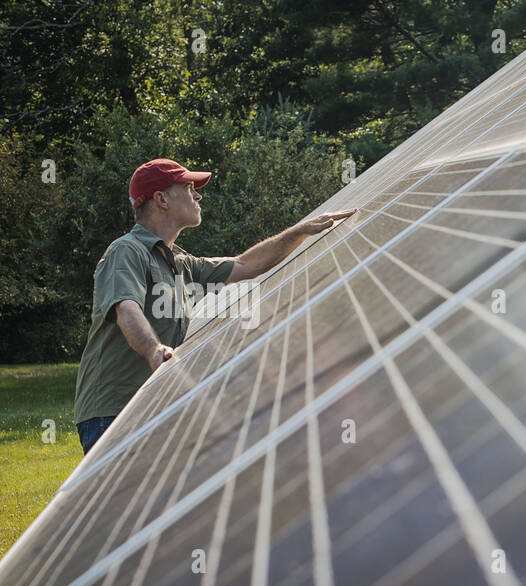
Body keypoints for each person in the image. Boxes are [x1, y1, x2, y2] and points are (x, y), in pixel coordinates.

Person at [72, 157, 356, 454]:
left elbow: (246, 264)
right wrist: (155, 351)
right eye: (189, 187)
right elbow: (126, 309)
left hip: (149, 407)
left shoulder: (182, 263)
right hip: (112, 413)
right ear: (161, 199)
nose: (198, 195)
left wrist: (300, 231)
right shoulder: (127, 251)